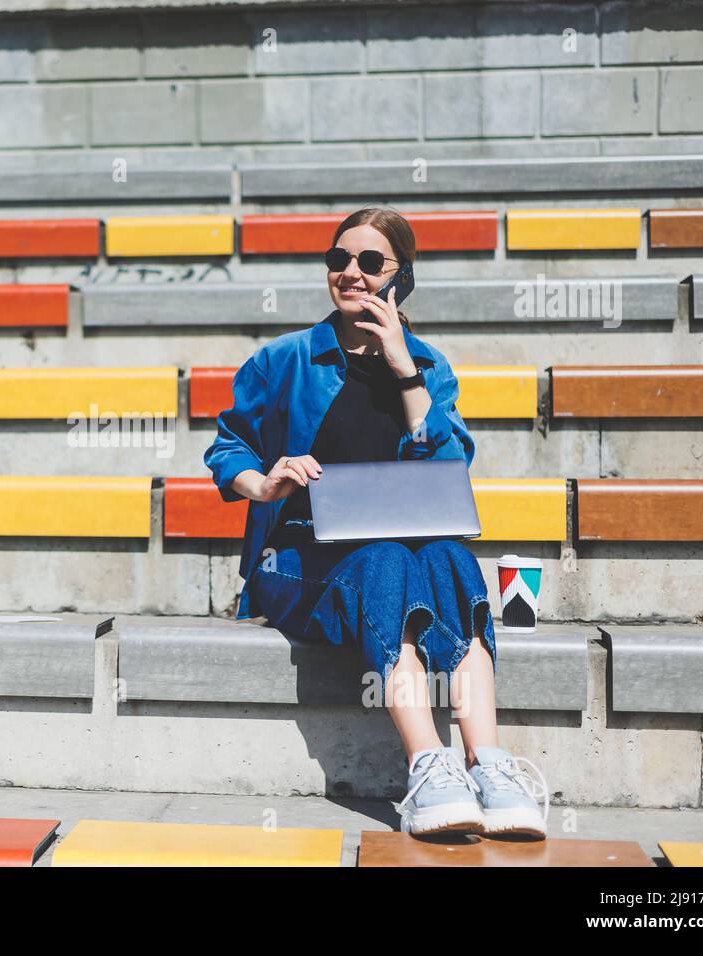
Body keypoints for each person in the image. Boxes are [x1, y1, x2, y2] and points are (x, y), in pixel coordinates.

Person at [204, 206, 549, 838]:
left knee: (448, 557)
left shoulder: (428, 366)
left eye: (370, 262)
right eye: (339, 260)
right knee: (389, 559)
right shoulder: (284, 360)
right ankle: (427, 767)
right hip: (298, 560)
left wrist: (401, 365)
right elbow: (228, 450)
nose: (351, 273)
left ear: (402, 277)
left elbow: (449, 469)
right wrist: (266, 484)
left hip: (398, 555)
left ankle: (489, 767)